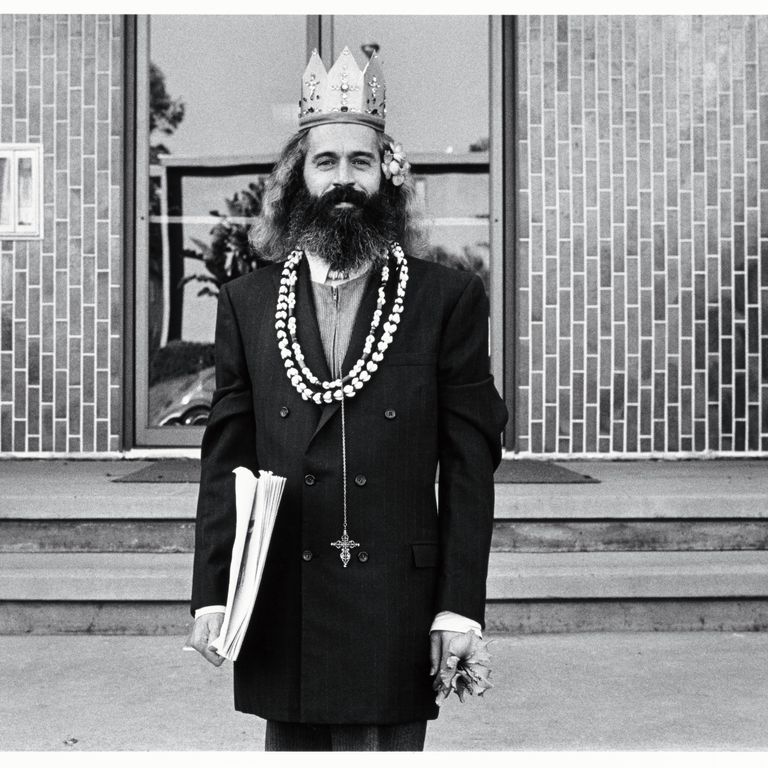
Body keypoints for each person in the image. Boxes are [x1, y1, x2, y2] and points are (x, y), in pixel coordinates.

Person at [187, 45, 508, 752]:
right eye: (325, 161)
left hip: (396, 597)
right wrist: (213, 591)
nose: (343, 179)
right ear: (299, 177)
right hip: (286, 600)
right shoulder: (246, 302)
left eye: (359, 162)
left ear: (385, 175)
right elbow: (227, 458)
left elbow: (467, 465)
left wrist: (458, 607)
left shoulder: (446, 300)